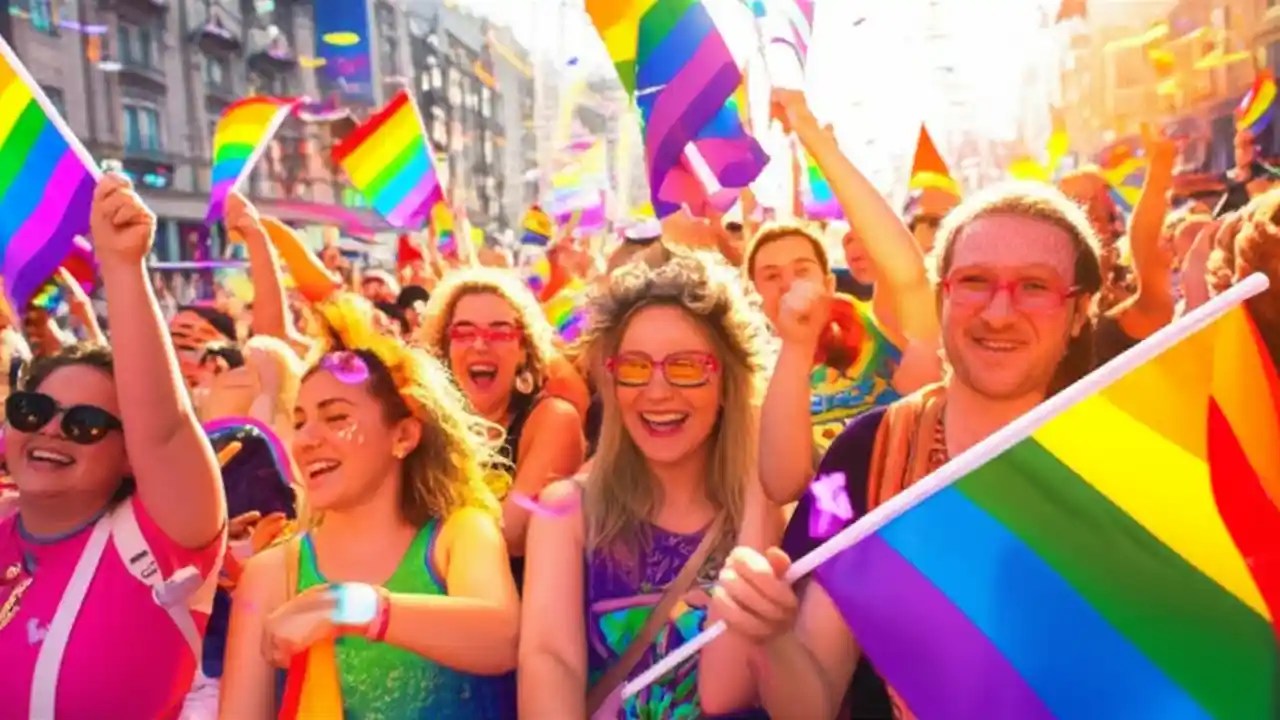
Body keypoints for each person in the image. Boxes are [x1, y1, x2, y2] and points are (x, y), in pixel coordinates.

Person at [702, 183, 1103, 719]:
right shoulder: (861, 460)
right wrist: (774, 638)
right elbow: (809, 704)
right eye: (975, 282)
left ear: (1078, 313)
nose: (1000, 312)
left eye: (1034, 286)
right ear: (942, 300)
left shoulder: (1120, 469)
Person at [219, 293, 519, 719]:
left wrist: (353, 607)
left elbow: (502, 639)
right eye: (300, 421)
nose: (307, 440)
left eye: (337, 417)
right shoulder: (272, 574)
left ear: (403, 437)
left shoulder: (460, 534)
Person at [0, 174, 227, 718]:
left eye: (85, 423)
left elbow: (165, 428)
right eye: (33, 411)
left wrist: (123, 266)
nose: (51, 430)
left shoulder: (162, 539)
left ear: (132, 457)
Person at [519, 251, 779, 719]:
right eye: (635, 367)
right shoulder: (568, 513)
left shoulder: (771, 508)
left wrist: (761, 471)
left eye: (686, 366)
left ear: (728, 383)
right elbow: (549, 661)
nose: (657, 391)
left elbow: (737, 687)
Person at [752, 89, 941, 504]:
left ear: (830, 282)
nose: (787, 284)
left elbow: (907, 273)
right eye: (770, 275)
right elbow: (783, 486)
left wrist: (815, 141)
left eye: (802, 269)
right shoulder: (753, 373)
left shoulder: (881, 328)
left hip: (910, 515)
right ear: (754, 295)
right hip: (829, 542)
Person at [419, 268, 586, 584]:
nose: (480, 345)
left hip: (517, 619)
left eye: (499, 332)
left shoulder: (553, 419)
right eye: (464, 332)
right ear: (445, 348)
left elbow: (511, 536)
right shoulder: (421, 423)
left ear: (523, 350)